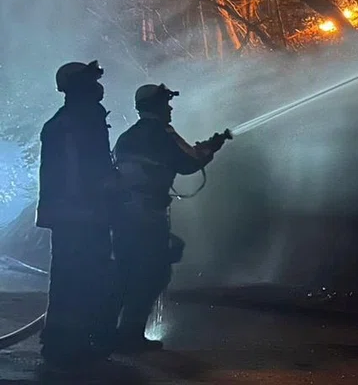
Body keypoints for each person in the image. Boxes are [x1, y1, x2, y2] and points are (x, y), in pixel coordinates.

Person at [112, 83, 230, 352]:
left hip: (123, 216)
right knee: (153, 273)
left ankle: (111, 331)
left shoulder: (126, 137)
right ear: (155, 106)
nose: (170, 107)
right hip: (148, 215)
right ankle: (130, 335)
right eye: (166, 103)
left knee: (125, 272)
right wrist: (212, 147)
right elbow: (189, 162)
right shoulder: (163, 133)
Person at [36, 60, 118, 367]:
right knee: (84, 276)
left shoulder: (71, 120)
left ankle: (64, 340)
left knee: (70, 277)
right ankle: (73, 343)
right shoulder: (79, 122)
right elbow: (87, 170)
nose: (98, 86)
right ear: (77, 87)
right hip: (82, 214)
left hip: (73, 213)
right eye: (91, 80)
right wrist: (112, 191)